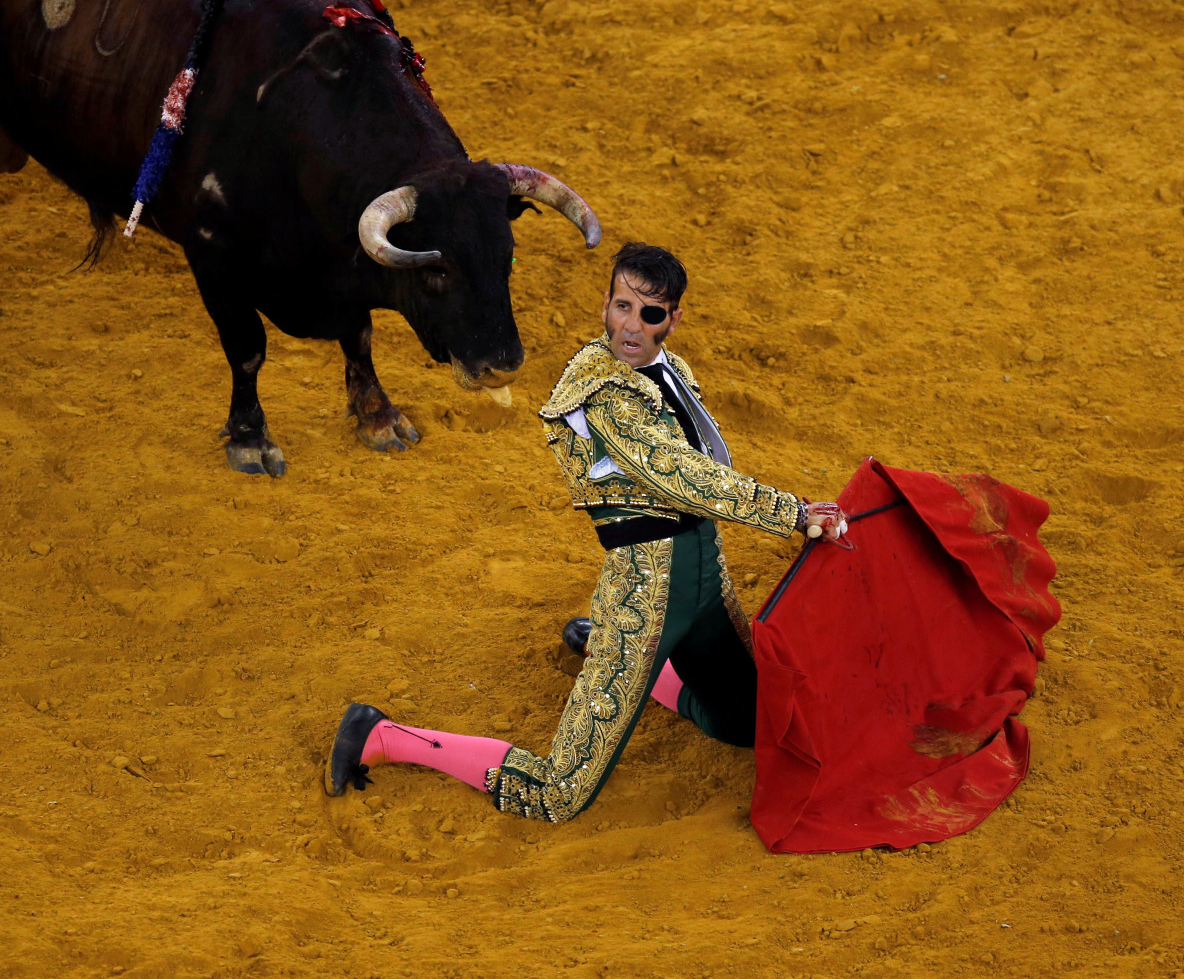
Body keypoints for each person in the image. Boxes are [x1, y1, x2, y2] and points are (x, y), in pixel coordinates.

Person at [325, 242, 846, 821]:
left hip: (703, 580)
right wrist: (792, 513)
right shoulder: (600, 393)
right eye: (622, 306)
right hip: (642, 597)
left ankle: (613, 652)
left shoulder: (669, 369)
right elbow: (686, 477)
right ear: (606, 303)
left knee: (747, 721)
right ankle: (382, 734)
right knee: (558, 795)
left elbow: (707, 462)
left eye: (649, 314)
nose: (631, 325)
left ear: (673, 319)